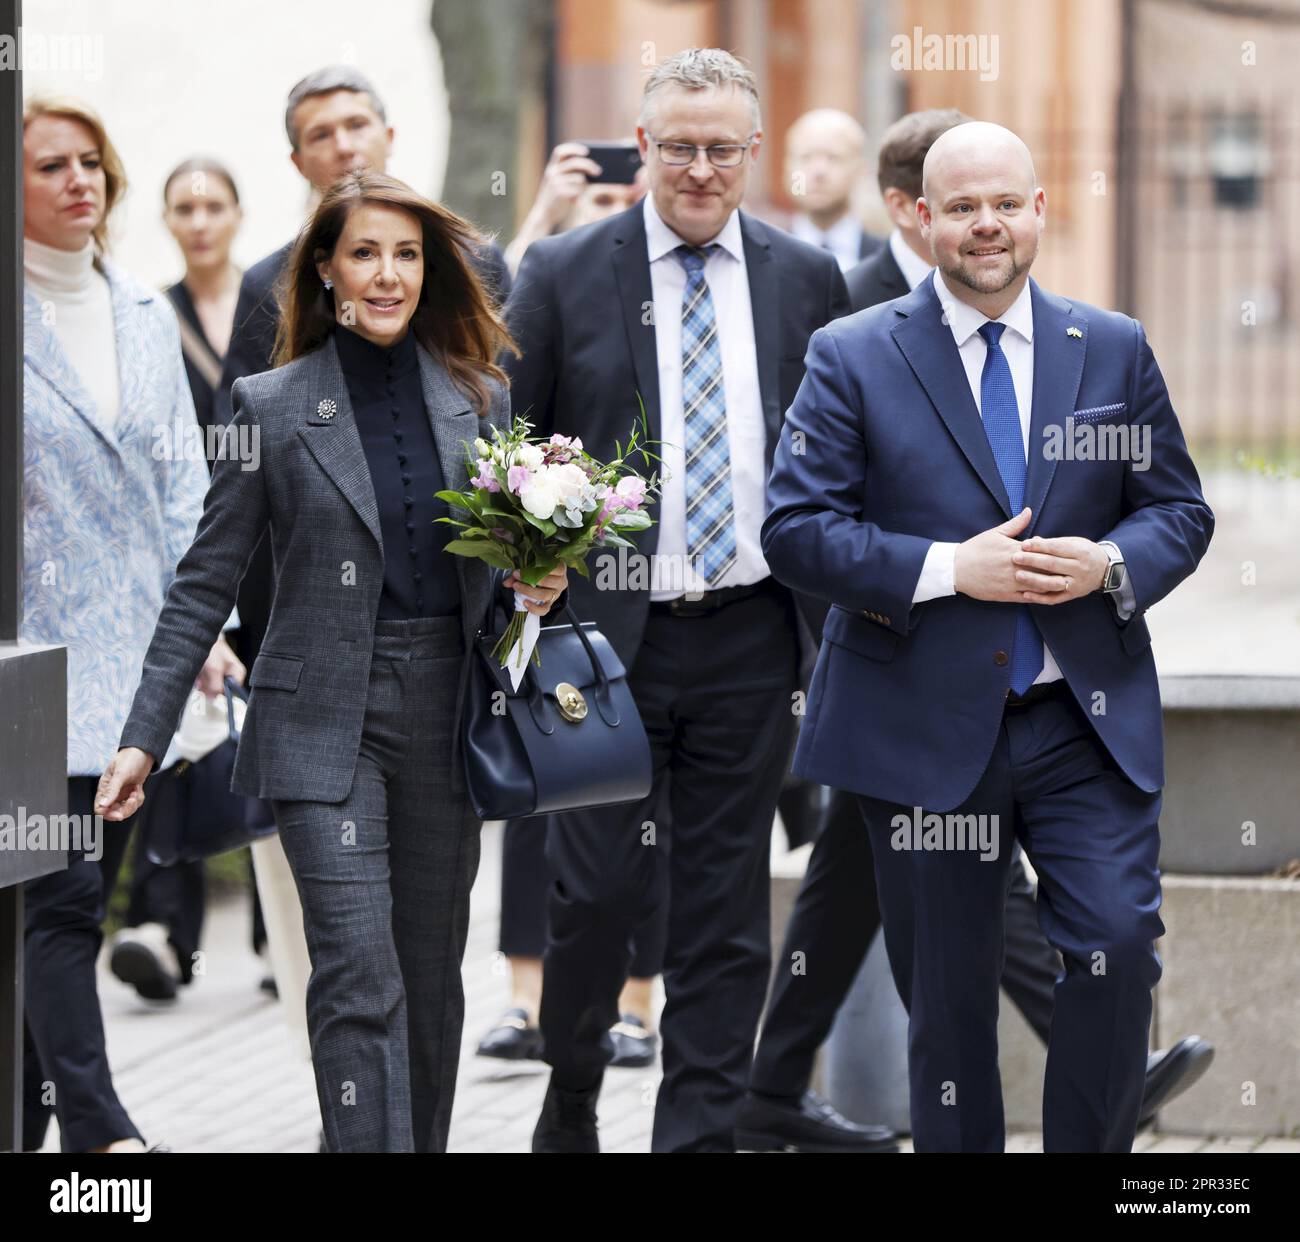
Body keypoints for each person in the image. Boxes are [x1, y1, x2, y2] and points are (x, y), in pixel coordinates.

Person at [740, 109, 1216, 1153]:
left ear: (1040, 210)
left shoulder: (1114, 348)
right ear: (922, 220)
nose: (986, 225)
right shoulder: (852, 355)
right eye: (963, 208)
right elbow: (796, 532)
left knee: (1115, 951)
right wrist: (953, 570)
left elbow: (1178, 512)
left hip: (1079, 721)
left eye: (1006, 203)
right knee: (947, 1015)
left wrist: (1110, 563)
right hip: (918, 729)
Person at [96, 171, 568, 1153]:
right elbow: (204, 579)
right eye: (364, 253)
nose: (387, 274)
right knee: (357, 971)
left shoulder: (476, 398)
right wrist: (142, 737)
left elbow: (503, 579)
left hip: (444, 712)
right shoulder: (268, 406)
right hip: (319, 722)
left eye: (406, 254)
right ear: (324, 270)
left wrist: (537, 584)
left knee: (431, 975)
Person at [505, 47, 849, 1153]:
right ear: (644, 147)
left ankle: (695, 1136)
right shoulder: (561, 270)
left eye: (723, 149)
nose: (701, 169)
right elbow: (508, 441)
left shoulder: (805, 280)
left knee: (723, 906)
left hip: (752, 636)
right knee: (595, 894)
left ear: (754, 154)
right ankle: (571, 1089)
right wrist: (528, 570)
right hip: (601, 646)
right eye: (680, 147)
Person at [20, 95, 242, 1153]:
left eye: (91, 162)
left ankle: (35, 1116)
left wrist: (209, 630)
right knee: (59, 899)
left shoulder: (143, 314)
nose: (79, 180)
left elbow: (184, 491)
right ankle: (98, 1133)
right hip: (22, 663)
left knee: (61, 897)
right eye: (51, 165)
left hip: (135, 657)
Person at [481, 152, 662, 1069]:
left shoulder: (659, 274)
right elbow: (496, 386)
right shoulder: (552, 264)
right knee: (541, 793)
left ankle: (637, 1000)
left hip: (655, 589)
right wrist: (542, 212)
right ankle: (525, 992)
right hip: (555, 587)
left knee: (642, 807)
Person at [108, 156, 249, 1004]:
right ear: (167, 220)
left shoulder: (271, 303)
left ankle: (277, 937)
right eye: (183, 207)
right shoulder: (152, 315)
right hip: (187, 537)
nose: (198, 220)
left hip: (269, 535)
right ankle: (166, 932)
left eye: (212, 205)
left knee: (258, 724)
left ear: (236, 214)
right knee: (177, 735)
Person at [782, 108, 883, 271]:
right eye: (806, 157)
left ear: (860, 171)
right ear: (787, 170)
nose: (819, 171)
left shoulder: (884, 259)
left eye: (834, 158)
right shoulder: (761, 256)